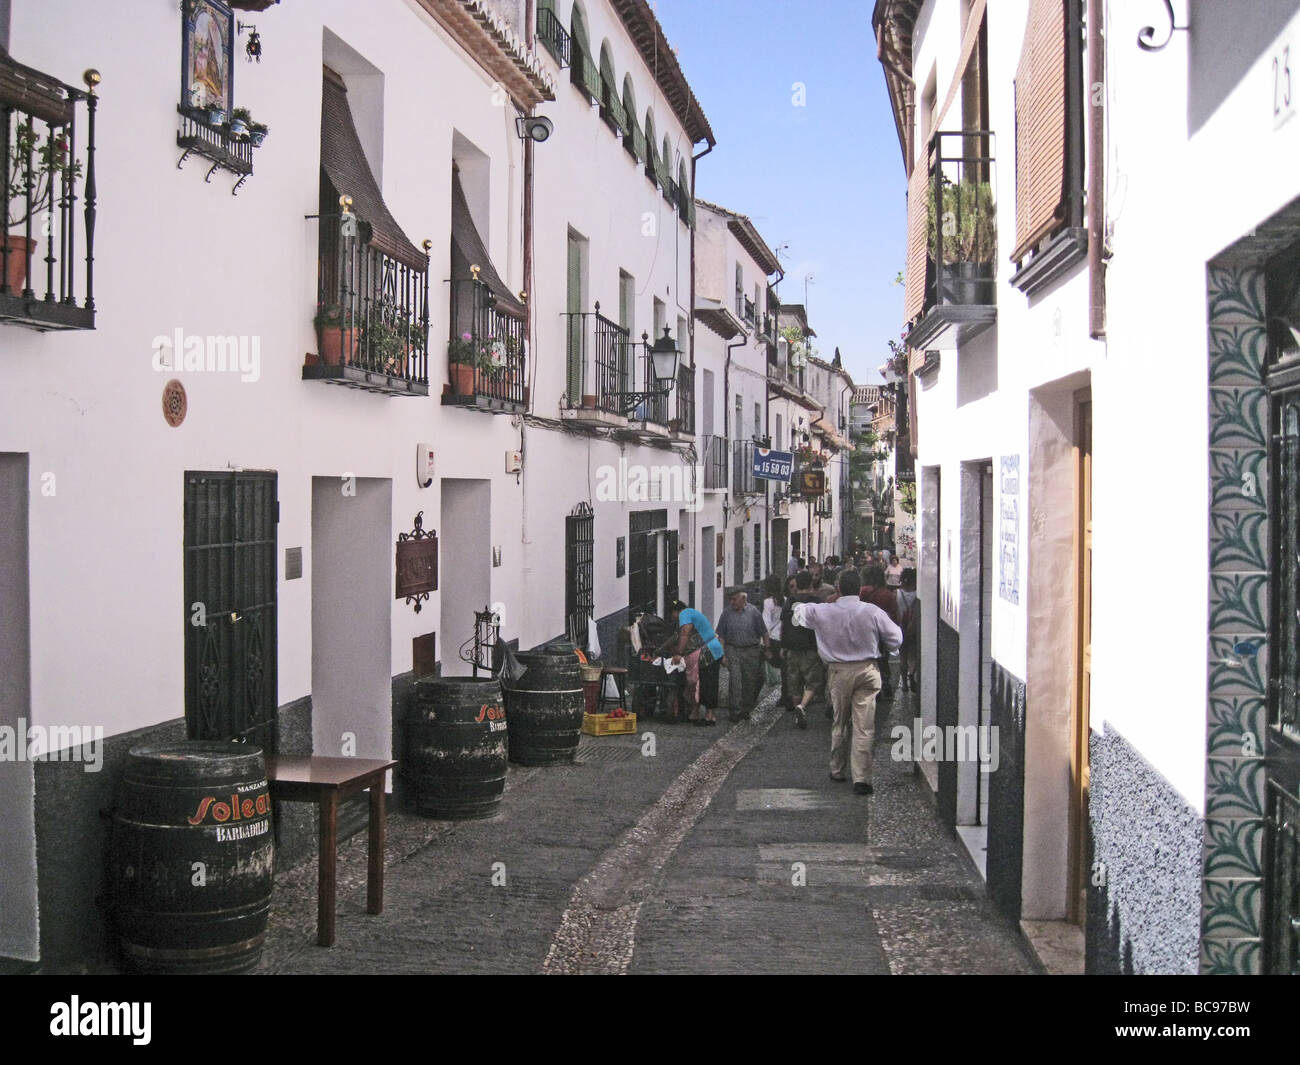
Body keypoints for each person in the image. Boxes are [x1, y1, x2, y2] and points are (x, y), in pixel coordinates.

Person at [793, 569, 902, 795]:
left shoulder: (824, 611)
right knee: (864, 725)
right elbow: (895, 637)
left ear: (839, 588)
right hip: (867, 668)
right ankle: (862, 777)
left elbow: (798, 613)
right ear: (860, 588)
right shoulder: (872, 611)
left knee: (840, 721)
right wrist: (890, 650)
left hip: (839, 671)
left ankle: (837, 768)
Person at [664, 599, 723, 725]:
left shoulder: (685, 614)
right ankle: (695, 713)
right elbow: (677, 637)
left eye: (672, 614)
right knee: (700, 683)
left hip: (709, 651)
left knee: (708, 683)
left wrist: (678, 653)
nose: (673, 618)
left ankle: (710, 716)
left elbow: (685, 633)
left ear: (676, 611)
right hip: (709, 650)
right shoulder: (691, 614)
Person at [715, 587, 768, 722]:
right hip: (733, 650)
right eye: (730, 599)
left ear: (743, 598)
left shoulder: (754, 612)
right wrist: (722, 655)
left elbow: (764, 631)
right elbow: (721, 636)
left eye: (734, 599)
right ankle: (735, 711)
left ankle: (746, 709)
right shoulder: (726, 614)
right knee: (735, 680)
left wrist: (767, 648)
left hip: (751, 651)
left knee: (749, 681)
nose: (732, 602)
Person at [780, 570, 825, 730]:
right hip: (810, 647)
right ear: (811, 584)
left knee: (794, 682)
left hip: (792, 647)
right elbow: (821, 626)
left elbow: (784, 625)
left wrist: (783, 645)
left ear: (797, 584)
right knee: (813, 681)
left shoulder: (789, 601)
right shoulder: (817, 602)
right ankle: (803, 706)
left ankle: (797, 711)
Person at [861, 565, 899, 697]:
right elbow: (893, 615)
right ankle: (884, 684)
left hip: (864, 632)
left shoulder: (861, 592)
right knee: (882, 659)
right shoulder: (887, 594)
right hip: (881, 634)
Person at [761, 574, 791, 711]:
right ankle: (786, 697)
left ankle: (751, 696)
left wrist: (764, 643)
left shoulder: (768, 602)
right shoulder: (785, 600)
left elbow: (765, 623)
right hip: (783, 638)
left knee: (760, 667)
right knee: (785, 671)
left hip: (772, 639)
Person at [896, 568, 920, 693]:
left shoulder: (897, 594)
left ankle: (904, 684)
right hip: (914, 628)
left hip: (901, 628)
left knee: (902, 656)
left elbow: (895, 612)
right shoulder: (919, 594)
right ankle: (912, 673)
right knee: (913, 655)